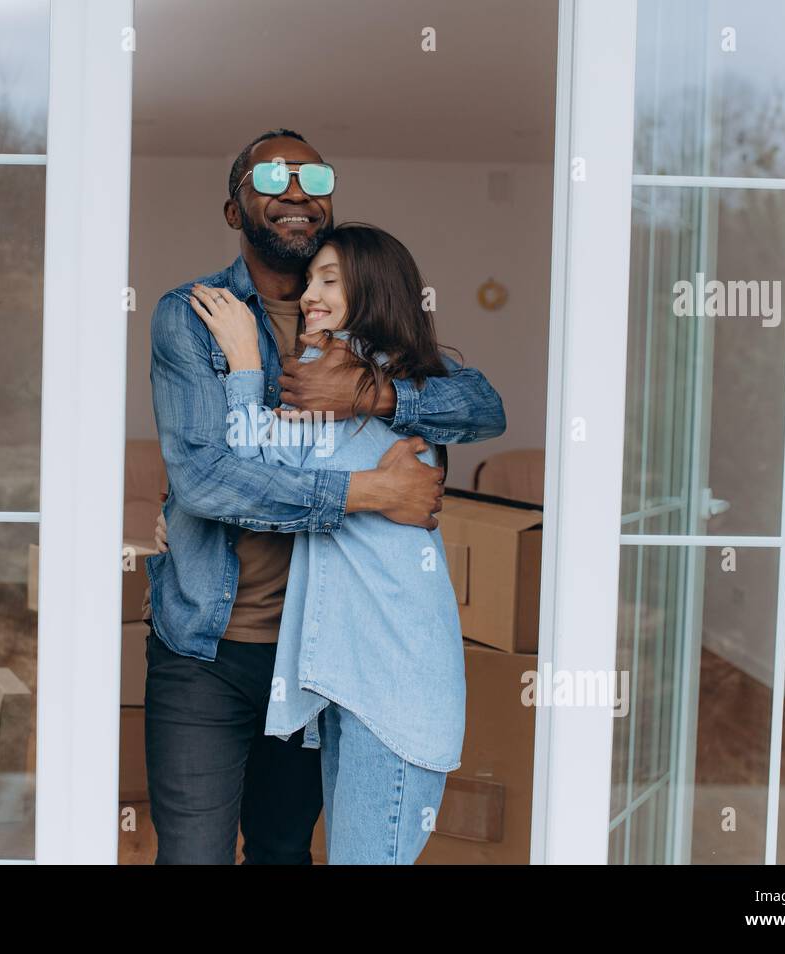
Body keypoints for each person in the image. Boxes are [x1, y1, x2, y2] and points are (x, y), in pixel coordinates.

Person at [144, 128, 505, 864]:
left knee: (283, 850)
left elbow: (480, 406)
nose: (297, 191)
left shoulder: (363, 331)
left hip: (316, 652)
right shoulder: (196, 314)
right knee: (192, 856)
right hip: (205, 644)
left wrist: (372, 393)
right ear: (234, 207)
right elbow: (210, 480)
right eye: (273, 177)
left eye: (314, 177)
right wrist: (368, 492)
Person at [188, 223, 467, 864]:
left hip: (388, 686)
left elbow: (255, 456)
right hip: (359, 677)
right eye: (311, 278)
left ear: (373, 291)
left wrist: (245, 361)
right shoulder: (350, 379)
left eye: (329, 280)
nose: (310, 293)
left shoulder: (365, 387)